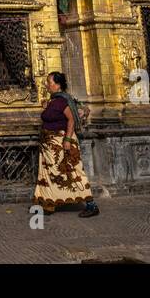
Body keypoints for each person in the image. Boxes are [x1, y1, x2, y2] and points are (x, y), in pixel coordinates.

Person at [34, 72, 99, 218]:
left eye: (49, 82)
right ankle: (48, 203)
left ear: (57, 85)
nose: (46, 85)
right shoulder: (54, 100)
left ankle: (91, 205)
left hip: (62, 143)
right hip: (49, 146)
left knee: (73, 172)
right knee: (49, 174)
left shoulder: (64, 101)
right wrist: (46, 106)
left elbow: (71, 120)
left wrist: (68, 140)